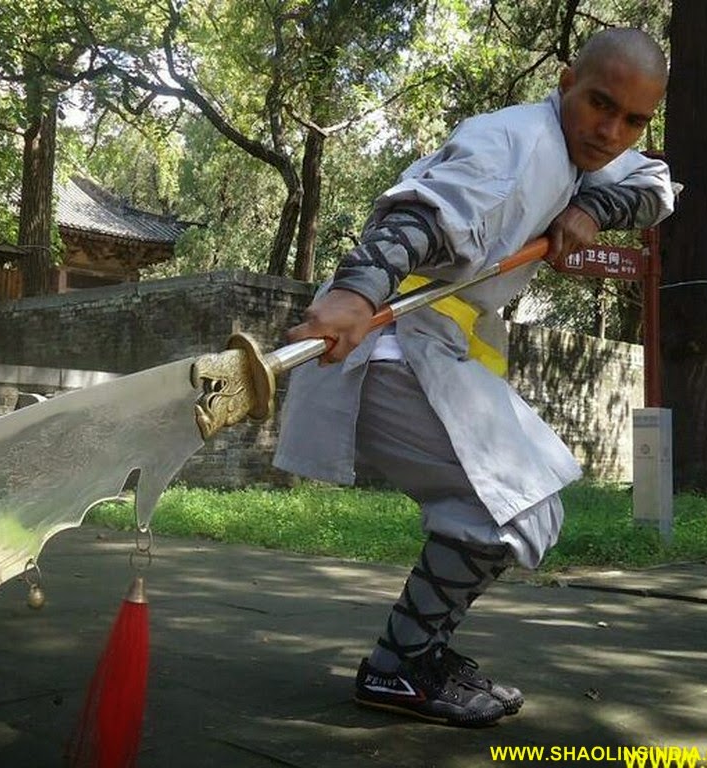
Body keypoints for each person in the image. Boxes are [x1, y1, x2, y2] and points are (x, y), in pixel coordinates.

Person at [273, 27, 674, 727]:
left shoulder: (581, 152)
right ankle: (399, 667)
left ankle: (413, 656)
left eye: (633, 119)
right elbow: (424, 215)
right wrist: (356, 293)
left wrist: (591, 208)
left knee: (522, 503)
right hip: (388, 344)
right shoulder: (510, 145)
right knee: (511, 507)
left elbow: (654, 185)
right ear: (565, 83)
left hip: (435, 348)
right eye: (599, 105)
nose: (612, 132)